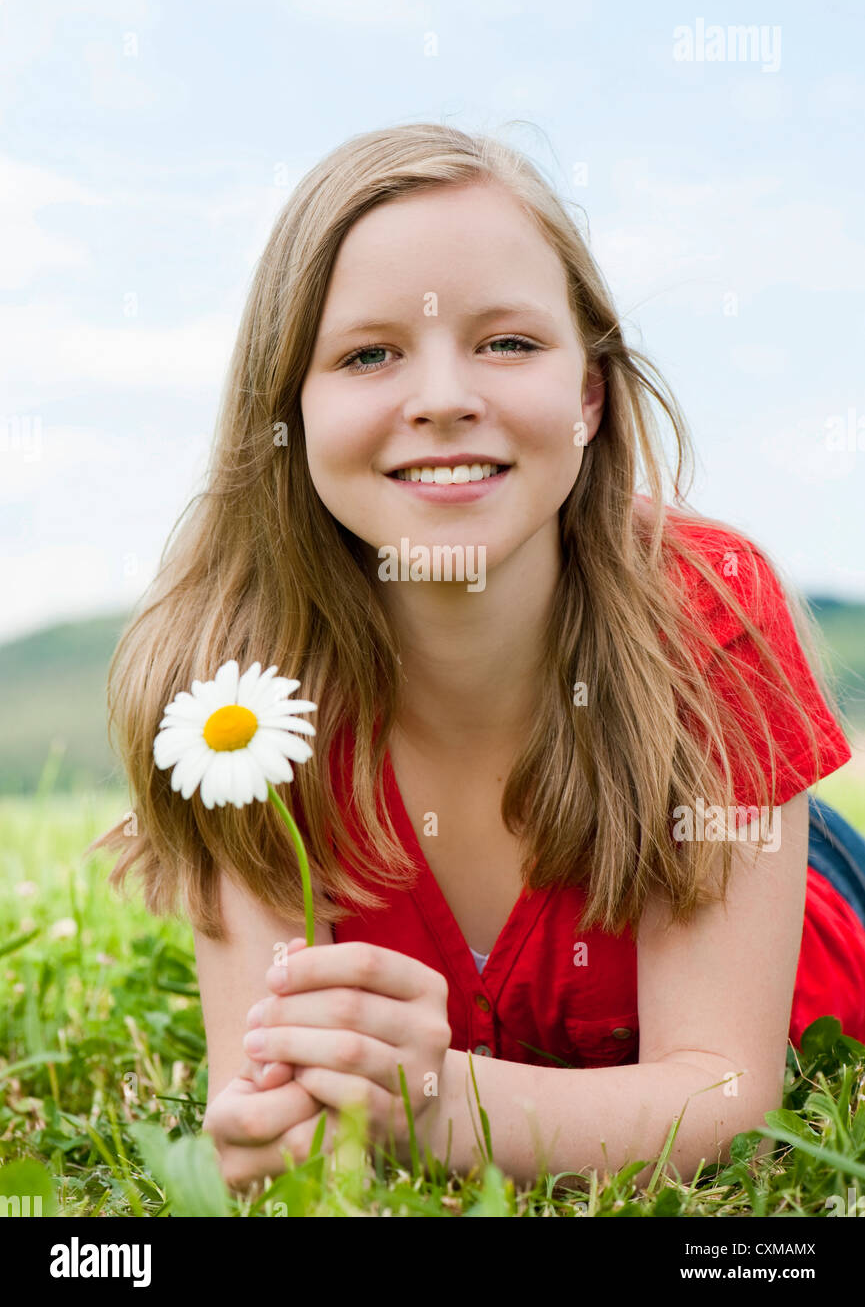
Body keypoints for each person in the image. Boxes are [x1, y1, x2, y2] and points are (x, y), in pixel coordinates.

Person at [94, 122, 865, 1193]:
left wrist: (439, 1105)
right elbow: (277, 1120)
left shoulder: (707, 613)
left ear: (589, 396)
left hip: (781, 862)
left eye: (507, 343)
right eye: (368, 354)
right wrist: (285, 1127)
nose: (445, 394)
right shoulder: (230, 687)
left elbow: (722, 1098)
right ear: (292, 412)